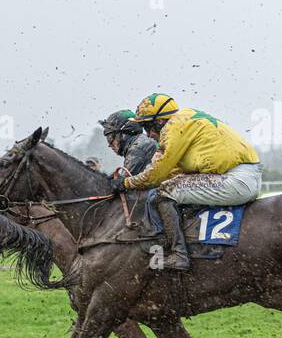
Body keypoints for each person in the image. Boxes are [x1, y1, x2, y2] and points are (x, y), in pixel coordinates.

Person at [110, 93, 262, 270]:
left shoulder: (174, 127)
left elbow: (156, 174)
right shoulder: (186, 119)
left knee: (163, 193)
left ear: (159, 121)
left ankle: (179, 255)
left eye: (146, 126)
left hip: (235, 179)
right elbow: (172, 171)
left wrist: (126, 183)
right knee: (170, 187)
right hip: (241, 175)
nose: (148, 134)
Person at [98, 109, 158, 176]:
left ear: (123, 134)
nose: (109, 145)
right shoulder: (141, 142)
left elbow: (124, 183)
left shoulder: (138, 147)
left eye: (110, 138)